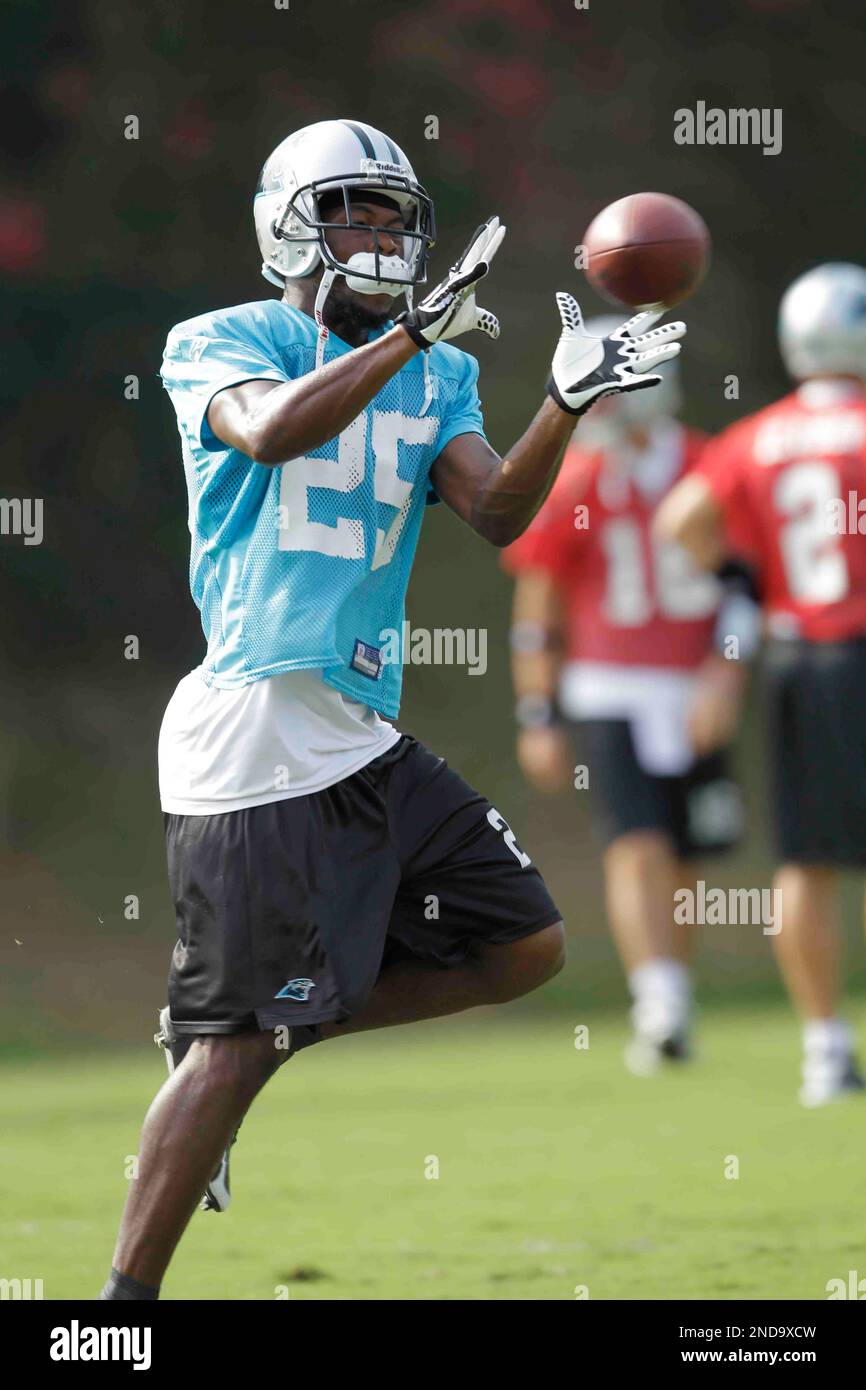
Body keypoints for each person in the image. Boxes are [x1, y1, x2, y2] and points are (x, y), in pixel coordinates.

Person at [98, 119, 686, 1300]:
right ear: (285, 227)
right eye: (348, 212)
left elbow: (495, 513)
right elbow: (271, 430)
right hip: (257, 726)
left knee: (521, 943)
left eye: (389, 217)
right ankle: (119, 1312)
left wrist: (560, 405)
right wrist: (414, 329)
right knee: (232, 1054)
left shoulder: (440, 370)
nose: (375, 236)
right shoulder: (219, 339)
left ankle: (257, 1028)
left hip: (358, 725)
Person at [502, 327, 748, 1073]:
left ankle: (674, 993)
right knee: (635, 842)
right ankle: (659, 1002)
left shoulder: (710, 467)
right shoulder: (577, 480)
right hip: (607, 686)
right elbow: (536, 610)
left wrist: (724, 673)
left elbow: (746, 585)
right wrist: (538, 713)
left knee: (686, 853)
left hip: (692, 681)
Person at [656, 262, 866, 1107]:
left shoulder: (755, 438)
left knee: (804, 862)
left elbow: (681, 524)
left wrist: (746, 583)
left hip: (797, 659)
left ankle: (824, 1050)